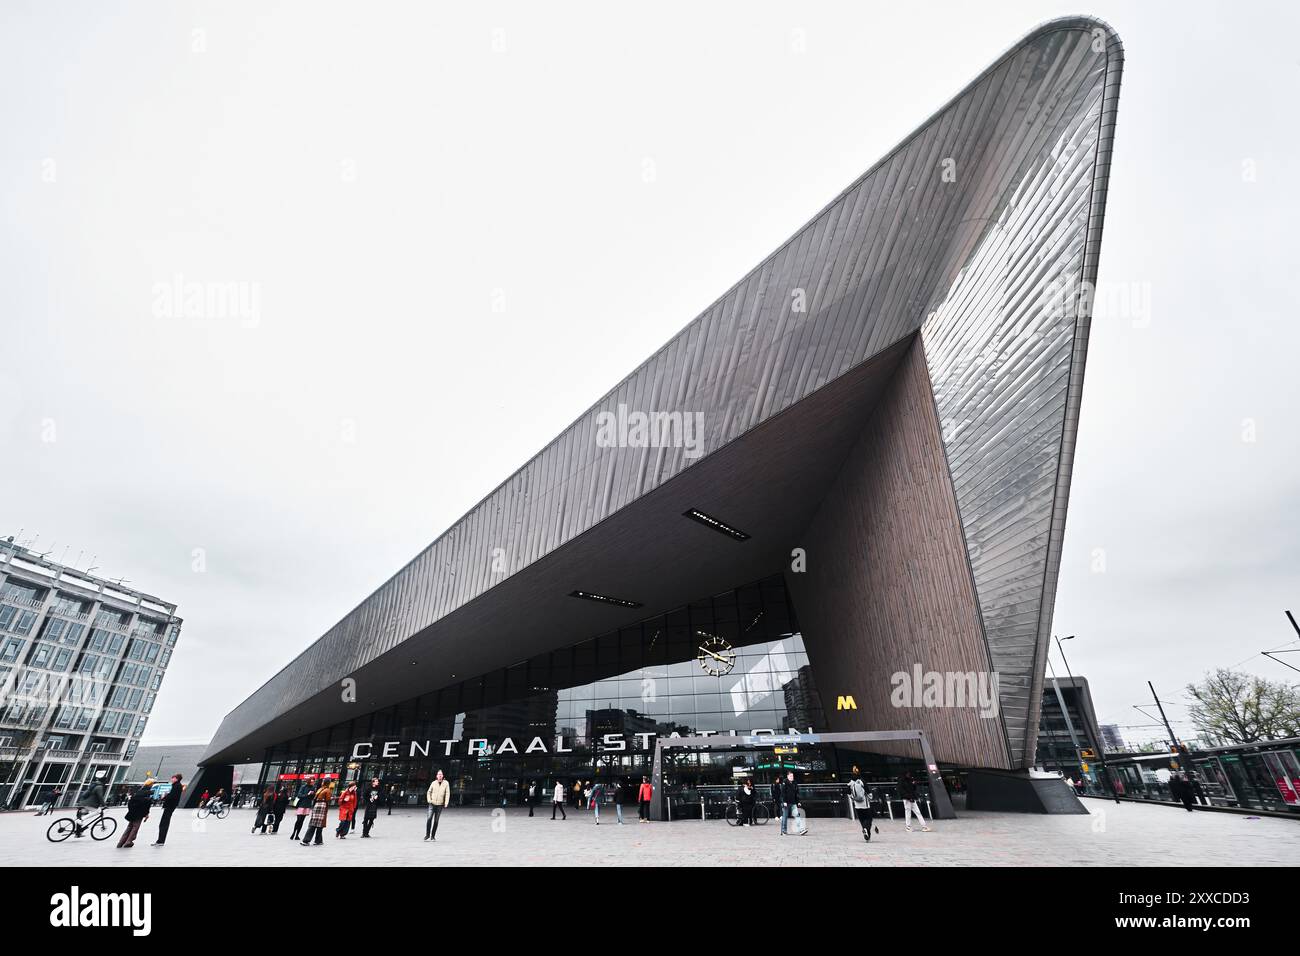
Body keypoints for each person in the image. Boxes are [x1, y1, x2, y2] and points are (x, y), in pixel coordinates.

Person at [117, 781, 154, 848]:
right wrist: (146, 814)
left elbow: (130, 802)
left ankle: (121, 842)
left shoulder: (138, 791)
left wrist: (131, 810)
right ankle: (128, 841)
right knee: (135, 827)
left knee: (129, 827)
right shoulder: (148, 793)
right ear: (150, 785)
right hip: (139, 813)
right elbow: (147, 805)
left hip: (132, 812)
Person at [151, 773, 184, 847]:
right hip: (170, 806)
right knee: (163, 823)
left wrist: (164, 797)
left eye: (173, 778)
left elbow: (172, 796)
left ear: (176, 779)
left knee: (163, 824)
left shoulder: (177, 786)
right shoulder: (177, 786)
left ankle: (160, 841)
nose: (171, 779)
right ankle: (160, 840)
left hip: (169, 806)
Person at [300, 781, 334, 846]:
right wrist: (332, 797)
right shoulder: (327, 790)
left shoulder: (320, 789)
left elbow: (315, 798)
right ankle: (306, 840)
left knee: (315, 823)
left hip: (316, 806)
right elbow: (328, 799)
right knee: (318, 824)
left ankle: (318, 840)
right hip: (322, 806)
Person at [848, 772, 878, 842]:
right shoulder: (862, 781)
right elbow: (868, 792)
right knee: (868, 819)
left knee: (862, 819)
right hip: (865, 804)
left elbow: (848, 793)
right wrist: (871, 797)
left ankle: (865, 831)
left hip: (857, 805)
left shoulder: (850, 783)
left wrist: (853, 798)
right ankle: (867, 831)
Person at [425, 770, 450, 841]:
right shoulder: (433, 783)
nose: (440, 775)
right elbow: (428, 792)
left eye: (441, 774)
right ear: (436, 776)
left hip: (440, 805)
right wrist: (429, 800)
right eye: (439, 774)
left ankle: (433, 836)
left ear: (443, 776)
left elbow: (447, 793)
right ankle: (427, 835)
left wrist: (446, 802)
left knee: (436, 821)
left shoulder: (446, 783)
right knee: (429, 819)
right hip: (432, 804)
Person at [779, 771, 802, 836]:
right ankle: (784, 831)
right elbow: (783, 793)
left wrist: (798, 802)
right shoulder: (784, 782)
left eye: (792, 776)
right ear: (787, 776)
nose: (792, 777)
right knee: (785, 817)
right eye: (791, 776)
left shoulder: (795, 783)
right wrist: (784, 801)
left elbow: (796, 793)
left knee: (797, 815)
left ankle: (801, 829)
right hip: (786, 802)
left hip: (793, 802)